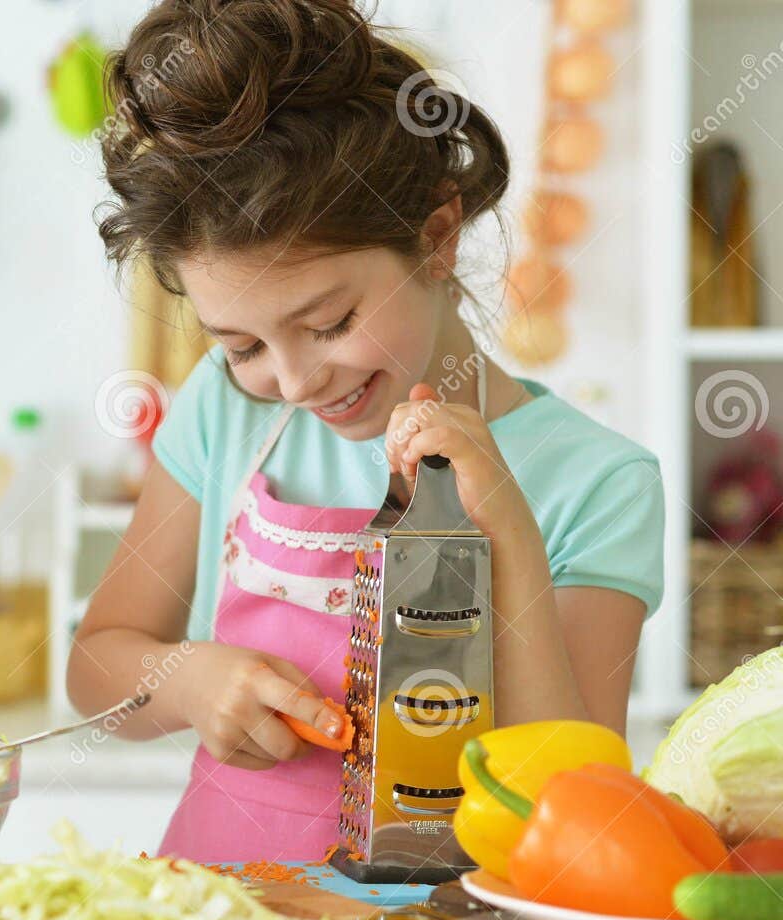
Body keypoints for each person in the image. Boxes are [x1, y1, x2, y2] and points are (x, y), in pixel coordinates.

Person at [68, 0, 664, 863]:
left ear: (436, 238)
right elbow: (96, 667)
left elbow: (570, 807)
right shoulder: (225, 409)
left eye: (330, 320)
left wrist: (507, 533)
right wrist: (187, 680)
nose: (298, 380)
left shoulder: (598, 482)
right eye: (242, 344)